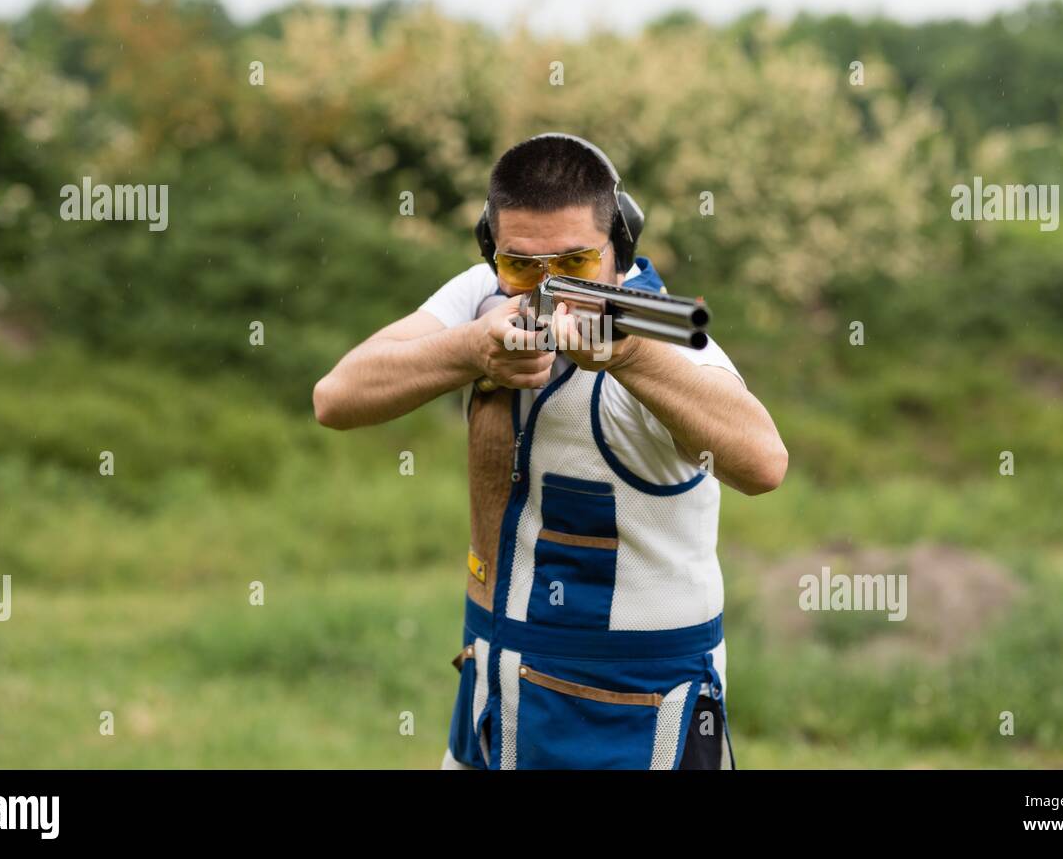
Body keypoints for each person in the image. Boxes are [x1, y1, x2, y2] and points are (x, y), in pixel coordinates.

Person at [313, 133, 788, 769]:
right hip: (492, 689)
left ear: (619, 240)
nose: (547, 288)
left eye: (574, 265)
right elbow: (336, 397)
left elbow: (764, 463)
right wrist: (469, 349)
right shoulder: (485, 296)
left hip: (634, 714)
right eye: (523, 267)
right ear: (494, 248)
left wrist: (627, 355)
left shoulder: (662, 333)